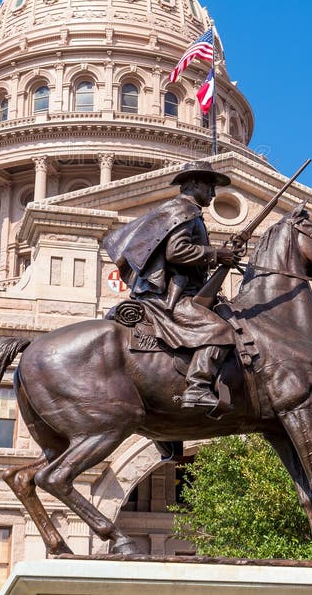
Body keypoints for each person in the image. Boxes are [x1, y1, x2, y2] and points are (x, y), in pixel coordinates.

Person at [103, 161, 241, 412]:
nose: (213, 194)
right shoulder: (184, 210)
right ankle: (197, 387)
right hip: (170, 296)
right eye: (210, 187)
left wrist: (223, 255)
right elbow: (176, 252)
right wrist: (217, 255)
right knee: (220, 331)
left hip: (178, 290)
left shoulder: (181, 211)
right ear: (195, 184)